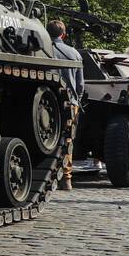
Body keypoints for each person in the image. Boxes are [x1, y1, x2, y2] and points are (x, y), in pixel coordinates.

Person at [47, 20, 82, 190]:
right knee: (67, 140)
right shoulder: (74, 53)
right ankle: (66, 178)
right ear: (64, 34)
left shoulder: (42, 51)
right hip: (70, 102)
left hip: (45, 101)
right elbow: (81, 85)